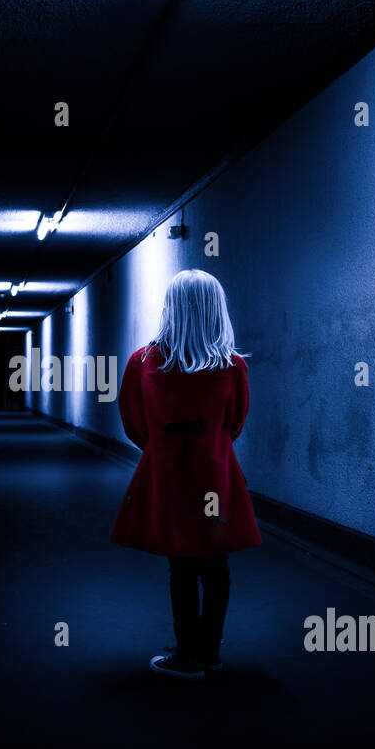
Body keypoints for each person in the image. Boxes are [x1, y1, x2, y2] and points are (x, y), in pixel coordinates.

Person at [110, 269, 261, 680]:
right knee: (216, 566)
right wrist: (207, 444)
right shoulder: (232, 365)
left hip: (167, 476)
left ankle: (186, 652)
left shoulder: (143, 361)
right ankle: (209, 651)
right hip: (215, 474)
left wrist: (163, 448)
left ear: (170, 307)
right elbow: (235, 423)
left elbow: (133, 424)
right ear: (217, 309)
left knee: (180, 564)